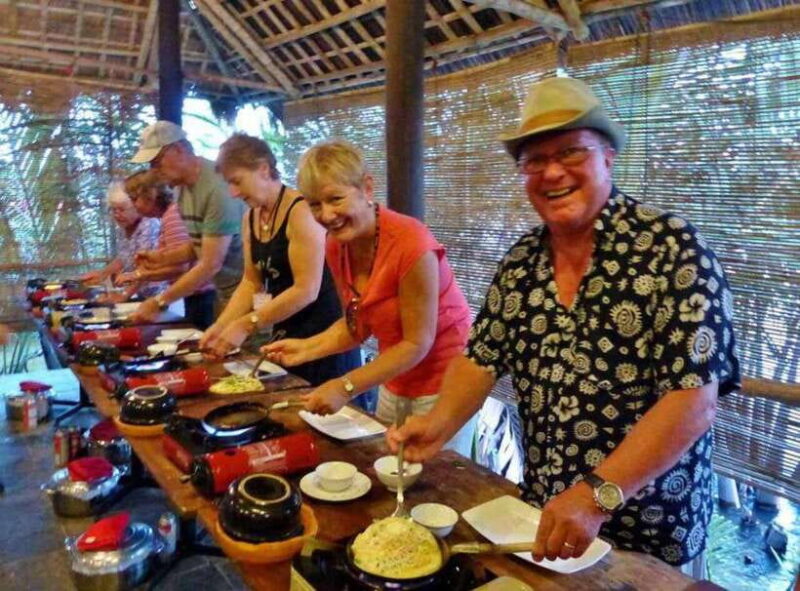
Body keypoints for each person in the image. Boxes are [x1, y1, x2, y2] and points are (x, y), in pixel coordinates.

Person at [388, 77, 740, 573]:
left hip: (649, 531)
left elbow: (693, 403)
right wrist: (438, 423)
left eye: (571, 152)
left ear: (608, 157)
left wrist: (596, 496)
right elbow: (481, 357)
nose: (552, 172)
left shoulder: (673, 248)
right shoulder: (522, 260)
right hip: (548, 518)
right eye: (534, 160)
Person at [264, 140, 475, 456]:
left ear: (366, 188)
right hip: (396, 374)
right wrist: (305, 349)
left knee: (436, 484)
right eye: (314, 204)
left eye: (335, 199)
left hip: (444, 380)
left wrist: (346, 386)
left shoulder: (411, 243)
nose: (326, 215)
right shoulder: (338, 246)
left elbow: (418, 342)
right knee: (388, 466)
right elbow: (357, 325)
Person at [198, 133, 361, 385]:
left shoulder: (300, 211)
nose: (232, 192)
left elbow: (306, 290)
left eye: (237, 181)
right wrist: (220, 326)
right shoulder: (250, 218)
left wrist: (246, 324)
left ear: (263, 169)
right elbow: (251, 282)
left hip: (323, 336)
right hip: (285, 334)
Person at [128, 121, 244, 329]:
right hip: (224, 292)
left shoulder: (217, 189)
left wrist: (160, 301)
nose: (153, 171)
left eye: (157, 163)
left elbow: (210, 263)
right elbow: (198, 245)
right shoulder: (180, 189)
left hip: (247, 293)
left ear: (178, 150)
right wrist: (162, 258)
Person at [115, 170, 216, 325]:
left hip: (203, 297)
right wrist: (152, 264)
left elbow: (180, 268)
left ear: (151, 196)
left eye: (135, 199)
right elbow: (178, 258)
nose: (134, 205)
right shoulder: (167, 217)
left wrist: (140, 275)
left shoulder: (172, 217)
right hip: (195, 296)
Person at [80, 181, 159, 300]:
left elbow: (146, 268)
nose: (117, 214)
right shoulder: (124, 227)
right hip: (139, 294)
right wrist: (102, 274)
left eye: (121, 210)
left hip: (158, 295)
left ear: (136, 206)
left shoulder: (148, 225)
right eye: (113, 210)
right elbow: (122, 259)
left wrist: (124, 295)